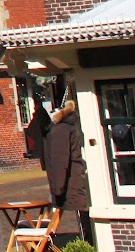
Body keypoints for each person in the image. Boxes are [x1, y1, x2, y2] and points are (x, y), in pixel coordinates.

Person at [43, 99, 92, 245]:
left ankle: (86, 244)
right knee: (82, 213)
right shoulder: (69, 126)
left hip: (68, 182)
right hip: (73, 178)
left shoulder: (60, 130)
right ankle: (87, 242)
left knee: (79, 212)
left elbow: (60, 160)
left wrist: (58, 189)